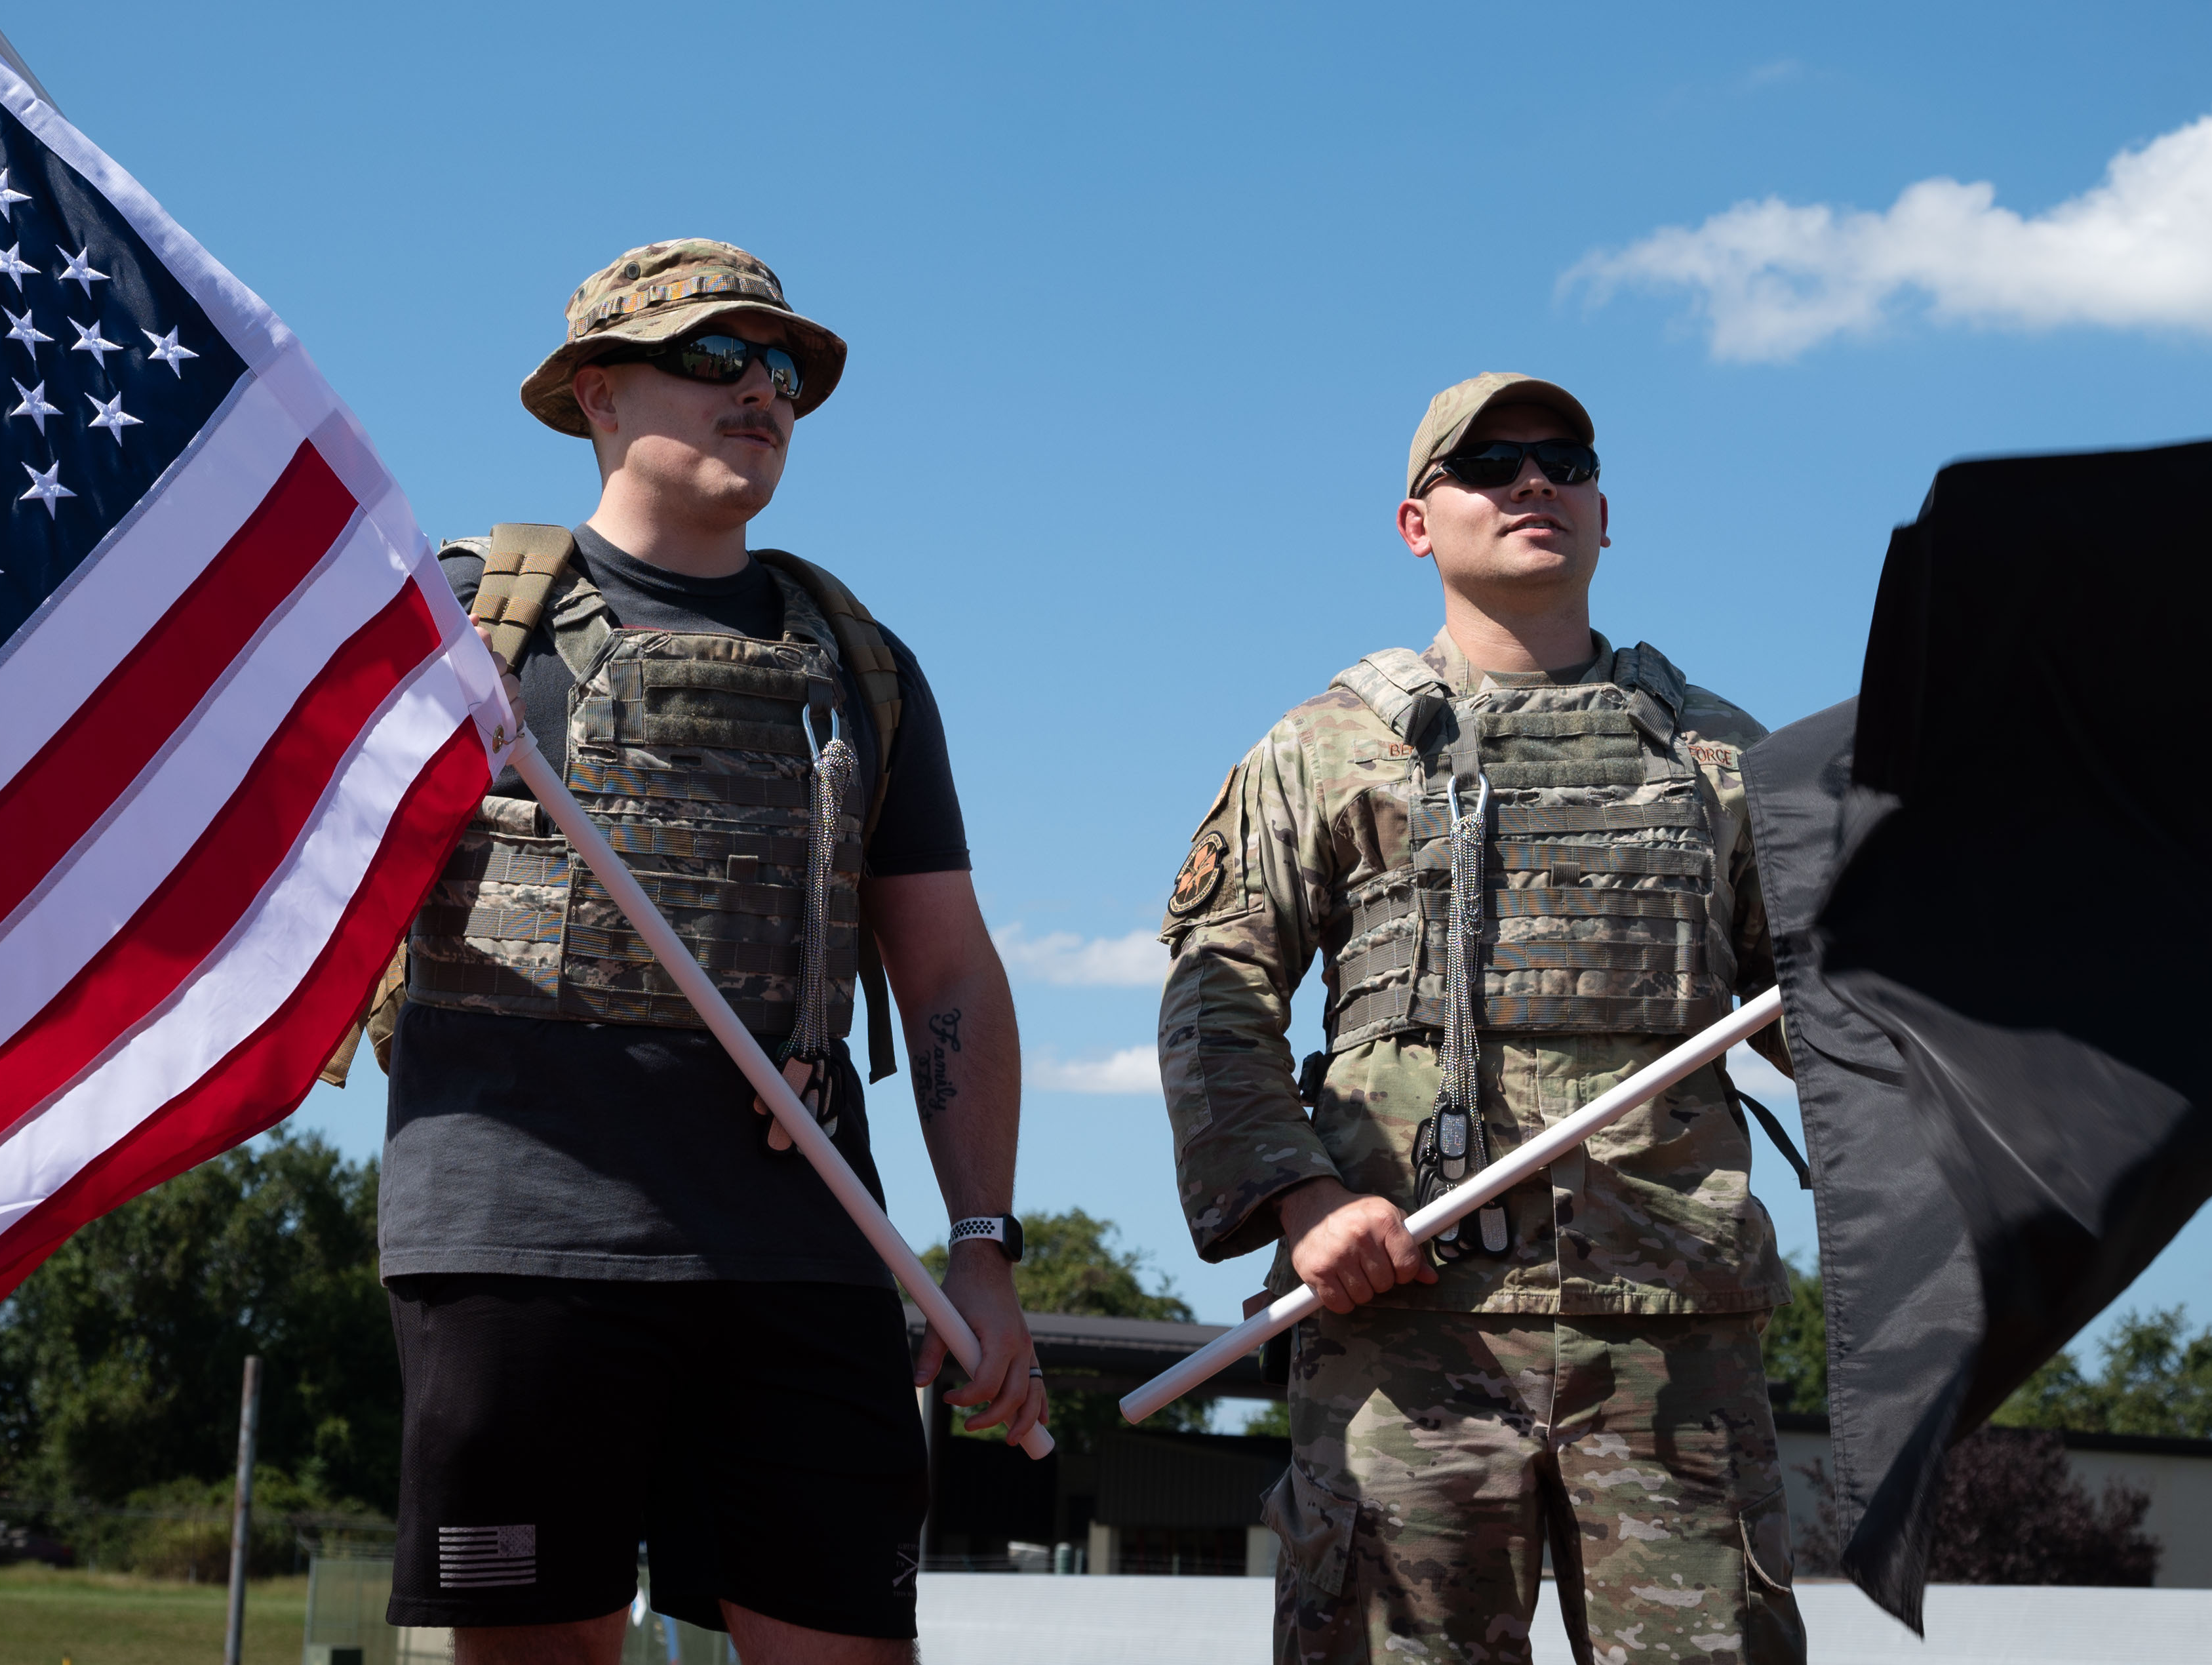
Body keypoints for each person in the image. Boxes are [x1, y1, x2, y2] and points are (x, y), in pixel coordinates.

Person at [338, 238, 1046, 1663]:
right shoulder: (455, 621)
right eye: (716, 357)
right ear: (597, 393)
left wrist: (983, 1250)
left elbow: (948, 973)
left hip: (805, 1258)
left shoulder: (861, 663)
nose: (763, 390)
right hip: (518, 1249)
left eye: (783, 367)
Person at [1153, 372, 1802, 1665]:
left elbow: (1834, 1027)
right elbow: (1213, 995)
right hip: (1405, 1329)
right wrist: (1300, 1203)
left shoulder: (1728, 760)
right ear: (1416, 521)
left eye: (1563, 458)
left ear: (1606, 513)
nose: (1532, 483)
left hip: (1670, 1340)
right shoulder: (1324, 751)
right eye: (1489, 462)